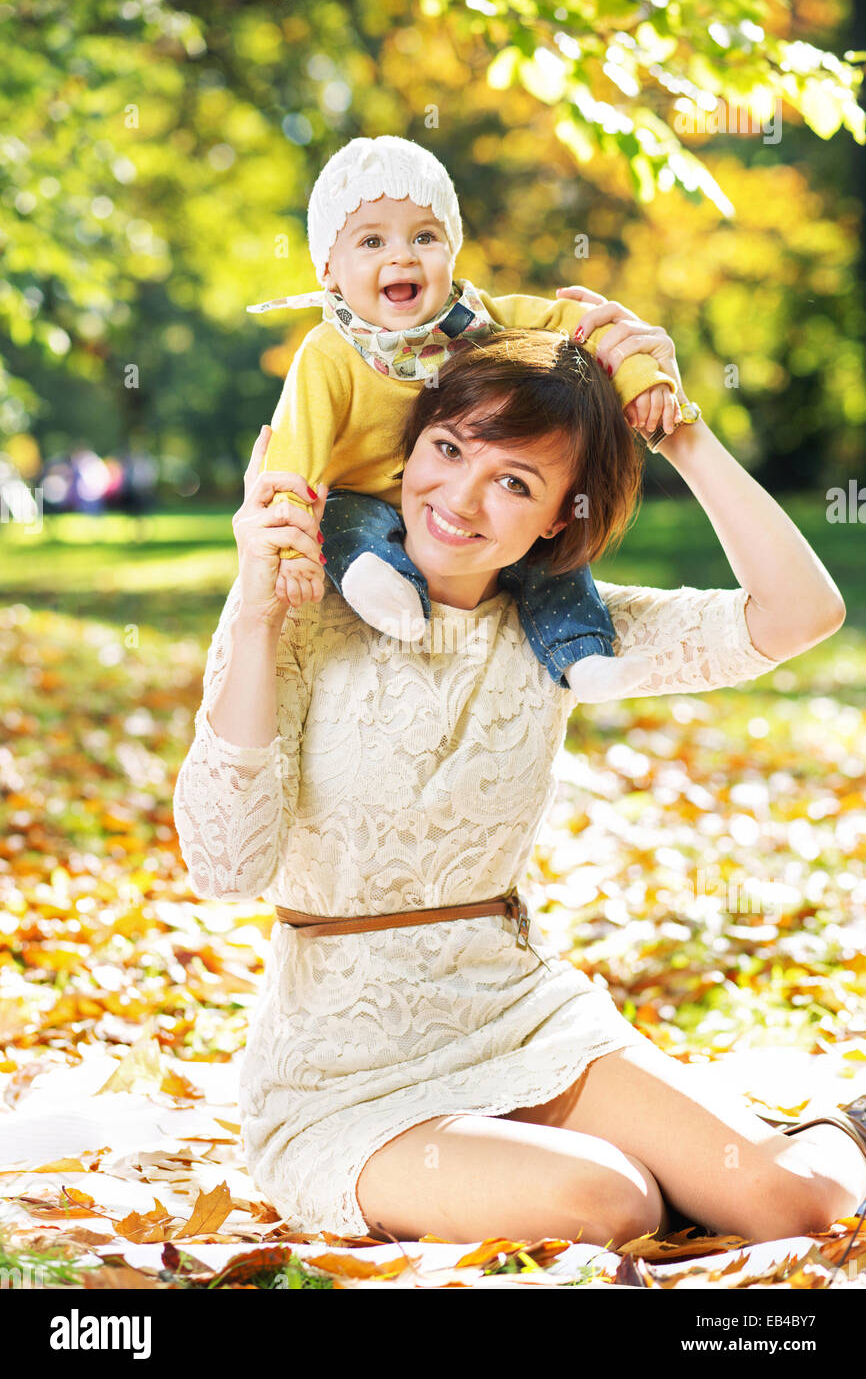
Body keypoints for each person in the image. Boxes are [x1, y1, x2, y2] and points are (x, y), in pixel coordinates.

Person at [173, 293, 866, 1247]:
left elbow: (800, 615)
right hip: (345, 1078)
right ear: (409, 447)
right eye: (449, 450)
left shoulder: (566, 636)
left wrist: (680, 430)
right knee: (605, 1201)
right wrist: (254, 613)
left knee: (799, 1202)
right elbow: (223, 866)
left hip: (521, 1018)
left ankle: (836, 1127)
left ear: (555, 521)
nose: (459, 499)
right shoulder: (294, 611)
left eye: (515, 482)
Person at [247, 134, 682, 704]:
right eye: (372, 240)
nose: (401, 256)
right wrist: (289, 550)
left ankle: (584, 655)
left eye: (424, 237)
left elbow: (583, 324)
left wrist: (643, 380)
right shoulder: (329, 353)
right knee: (347, 525)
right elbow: (293, 456)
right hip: (362, 497)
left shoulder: (480, 320)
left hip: (466, 503)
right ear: (329, 271)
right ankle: (383, 586)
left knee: (551, 559)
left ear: (451, 252)